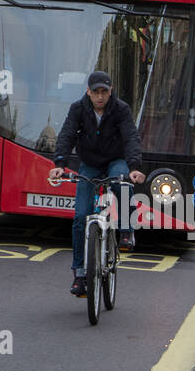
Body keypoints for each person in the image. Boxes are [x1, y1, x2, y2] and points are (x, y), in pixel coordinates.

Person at [47, 70, 146, 298]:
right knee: (81, 217)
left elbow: (131, 137)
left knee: (122, 185)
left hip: (116, 160)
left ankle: (126, 232)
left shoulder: (120, 109)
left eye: (104, 92)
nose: (100, 97)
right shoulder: (78, 108)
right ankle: (80, 275)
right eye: (96, 92)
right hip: (90, 163)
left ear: (110, 92)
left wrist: (134, 168)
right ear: (88, 92)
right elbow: (67, 135)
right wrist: (60, 163)